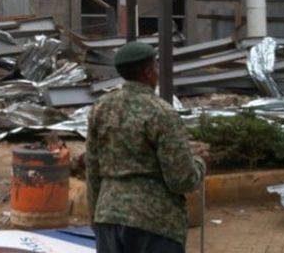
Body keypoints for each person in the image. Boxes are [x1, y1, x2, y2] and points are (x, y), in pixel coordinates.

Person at [85, 41, 205, 253]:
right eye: (156, 66)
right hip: (154, 223)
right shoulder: (161, 112)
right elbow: (181, 180)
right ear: (149, 72)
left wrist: (96, 216)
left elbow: (92, 169)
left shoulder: (100, 108)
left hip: (108, 216)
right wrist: (199, 164)